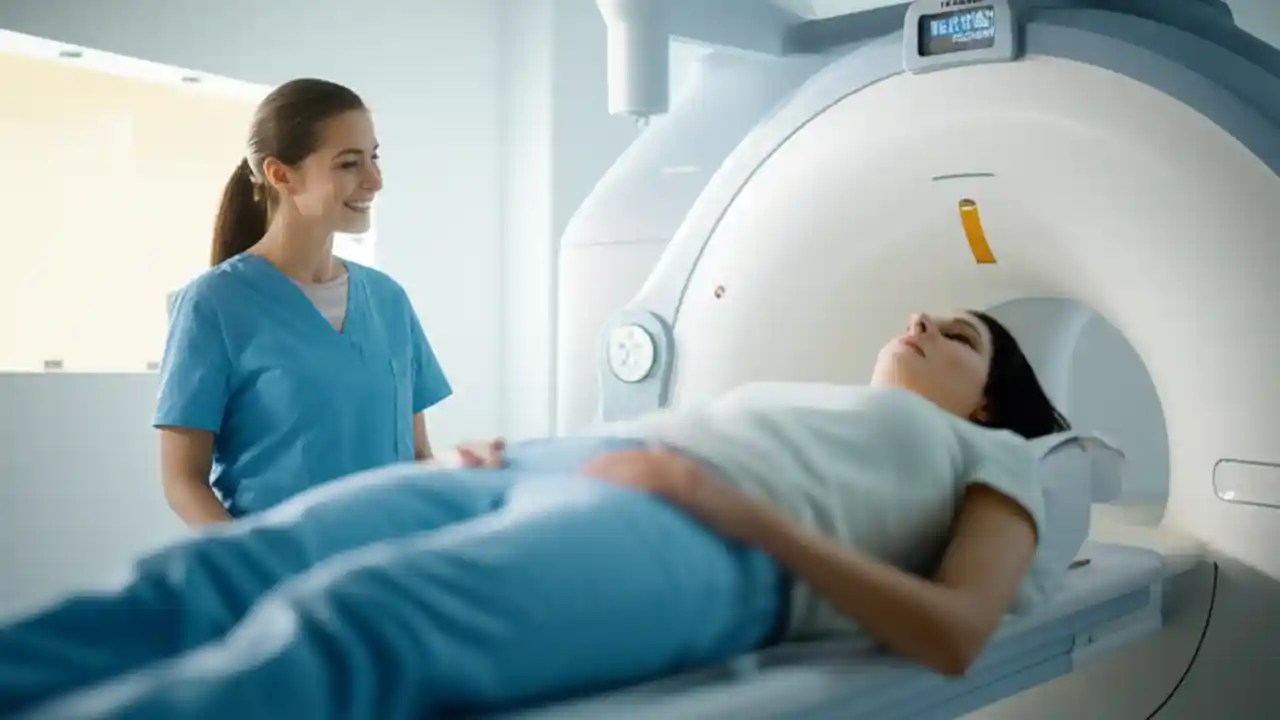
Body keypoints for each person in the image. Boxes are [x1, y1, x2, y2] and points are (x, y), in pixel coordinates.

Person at [2, 310, 1070, 720]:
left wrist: (726, 509)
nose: (927, 318)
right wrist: (529, 453)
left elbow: (954, 632)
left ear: (986, 400)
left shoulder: (992, 458)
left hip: (703, 534)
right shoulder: (804, 395)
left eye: (965, 336)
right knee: (224, 571)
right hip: (563, 465)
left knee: (359, 620)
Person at [154, 78, 452, 527]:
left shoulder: (388, 299)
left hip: (390, 571)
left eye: (373, 157)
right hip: (279, 573)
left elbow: (418, 455)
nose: (375, 179)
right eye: (349, 163)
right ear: (280, 174)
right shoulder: (214, 304)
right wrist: (250, 567)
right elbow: (183, 482)